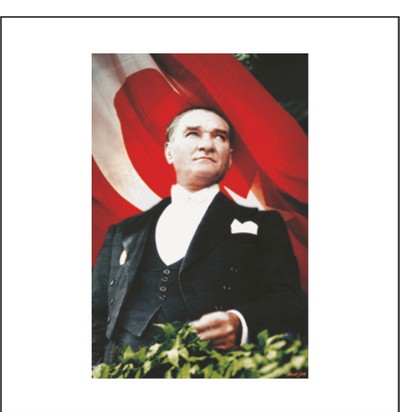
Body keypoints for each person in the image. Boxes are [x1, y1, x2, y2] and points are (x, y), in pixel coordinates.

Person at [92, 107, 306, 365]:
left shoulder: (264, 226)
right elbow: (94, 314)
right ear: (169, 151)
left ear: (229, 158)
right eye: (193, 134)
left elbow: (289, 303)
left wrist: (240, 322)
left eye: (220, 137)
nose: (207, 145)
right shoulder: (125, 233)